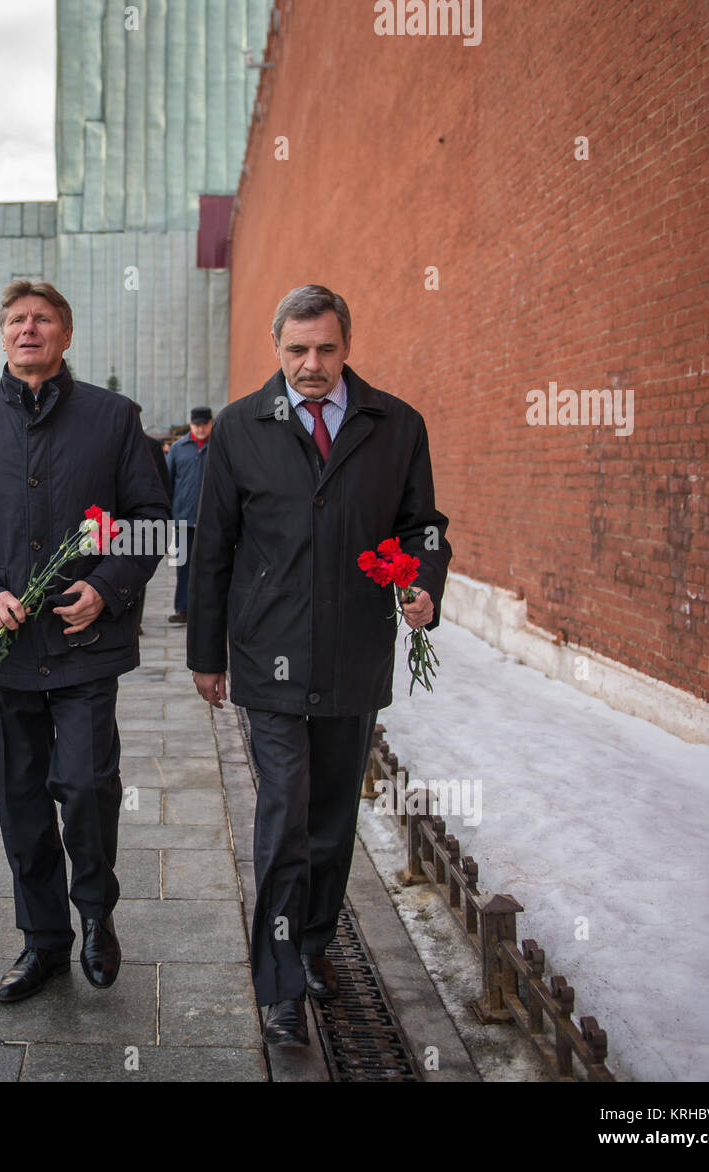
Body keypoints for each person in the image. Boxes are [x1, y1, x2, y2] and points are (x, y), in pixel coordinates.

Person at [186, 285, 452, 1046]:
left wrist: (422, 585)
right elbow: (213, 550)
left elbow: (423, 528)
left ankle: (311, 946)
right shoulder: (239, 427)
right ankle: (277, 985)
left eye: (326, 350)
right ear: (278, 348)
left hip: (354, 653)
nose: (312, 365)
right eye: (297, 350)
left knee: (333, 823)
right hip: (266, 657)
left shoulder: (394, 425)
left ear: (346, 345)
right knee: (284, 817)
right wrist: (206, 655)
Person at [0, 280, 169, 1004]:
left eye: (43, 320)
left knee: (87, 786)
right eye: (16, 320)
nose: (29, 330)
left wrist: (108, 589)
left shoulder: (113, 419)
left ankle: (96, 915)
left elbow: (150, 519)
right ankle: (43, 942)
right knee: (21, 798)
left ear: (65, 334)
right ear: (2, 334)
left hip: (84, 643)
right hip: (1, 652)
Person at [164, 407, 212, 623]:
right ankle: (182, 608)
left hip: (212, 520)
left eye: (204, 424)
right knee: (183, 566)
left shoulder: (220, 446)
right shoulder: (178, 448)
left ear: (211, 423)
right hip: (182, 518)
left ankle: (208, 609)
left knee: (211, 565)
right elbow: (168, 482)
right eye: (196, 425)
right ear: (191, 424)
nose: (200, 429)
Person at [132, 401, 171, 635]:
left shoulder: (151, 446)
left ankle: (136, 620)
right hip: (111, 522)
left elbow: (163, 483)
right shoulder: (107, 443)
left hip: (144, 518)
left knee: (138, 571)